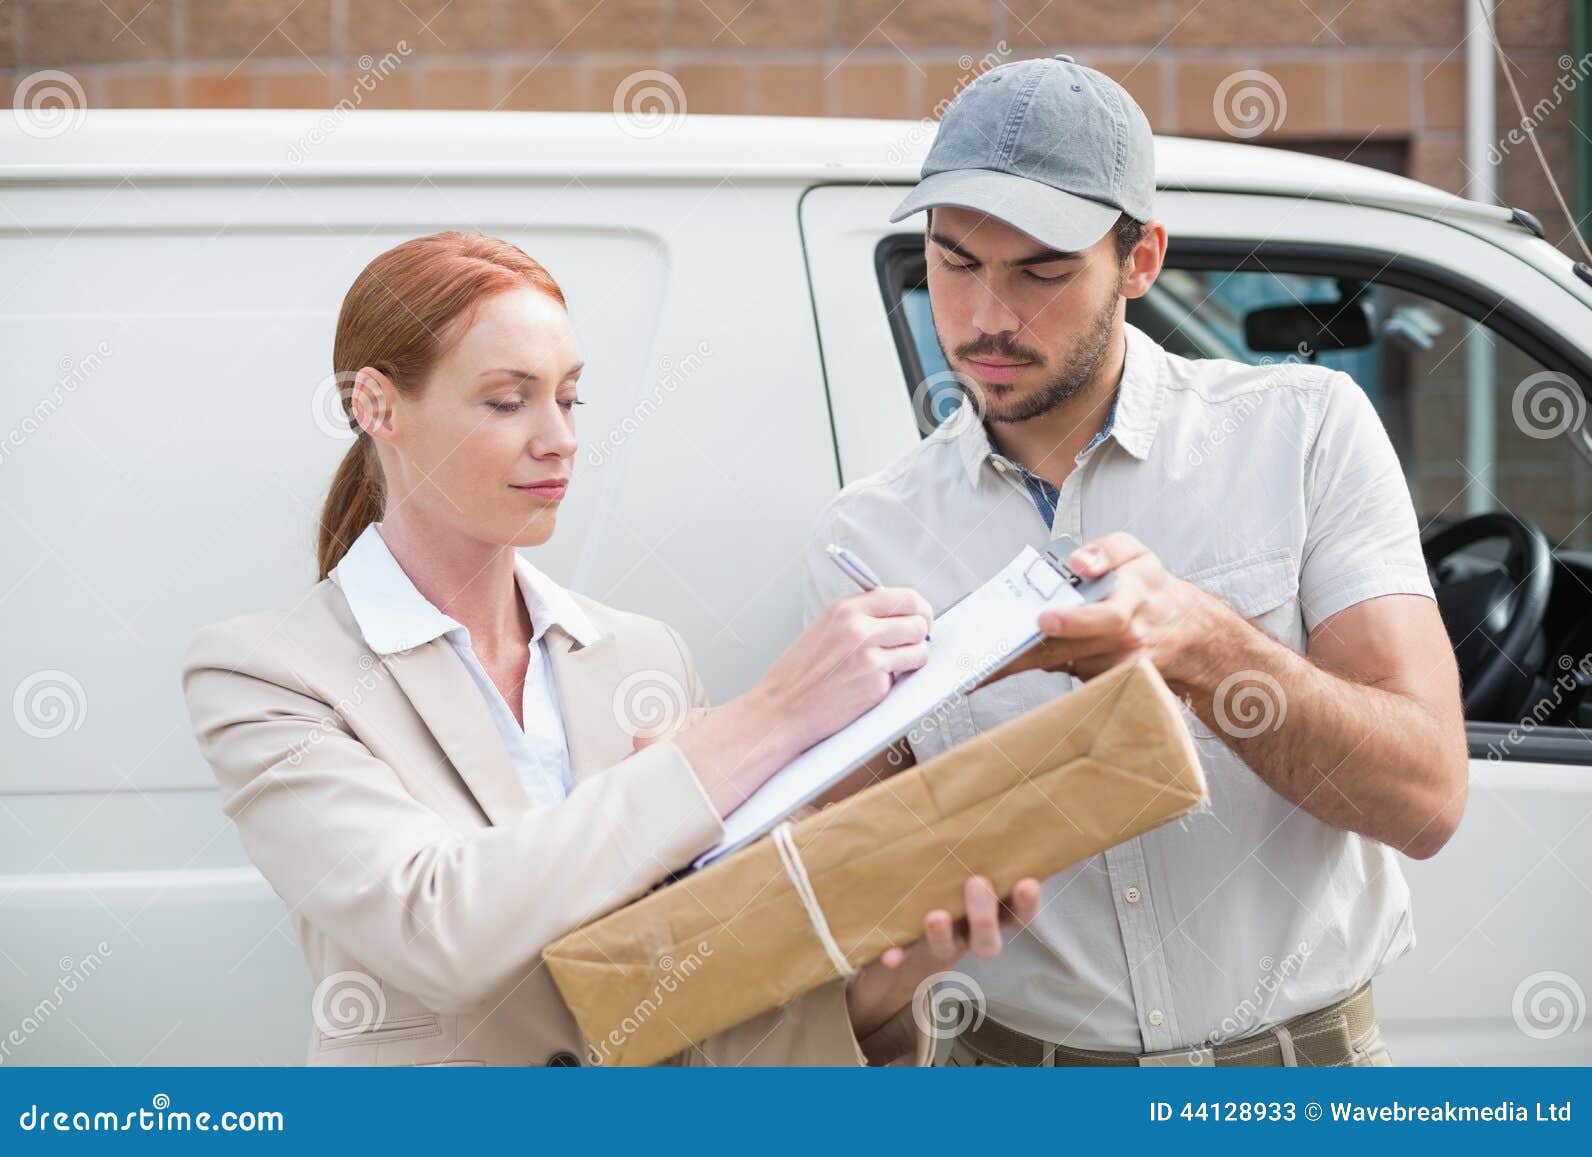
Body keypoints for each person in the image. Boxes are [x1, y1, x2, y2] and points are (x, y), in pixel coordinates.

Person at [181, 231, 1040, 1067]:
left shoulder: (641, 656)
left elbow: (698, 998)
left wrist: (883, 986)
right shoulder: (268, 675)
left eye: (570, 396)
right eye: (508, 399)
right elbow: (436, 925)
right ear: (376, 405)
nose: (559, 436)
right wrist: (771, 717)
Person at [802, 55, 1468, 1067]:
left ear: (1142, 257)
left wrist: (1201, 646)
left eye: (1041, 270)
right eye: (954, 262)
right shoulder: (868, 537)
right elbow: (857, 901)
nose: (985, 318)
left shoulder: (1303, 431)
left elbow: (1424, 797)